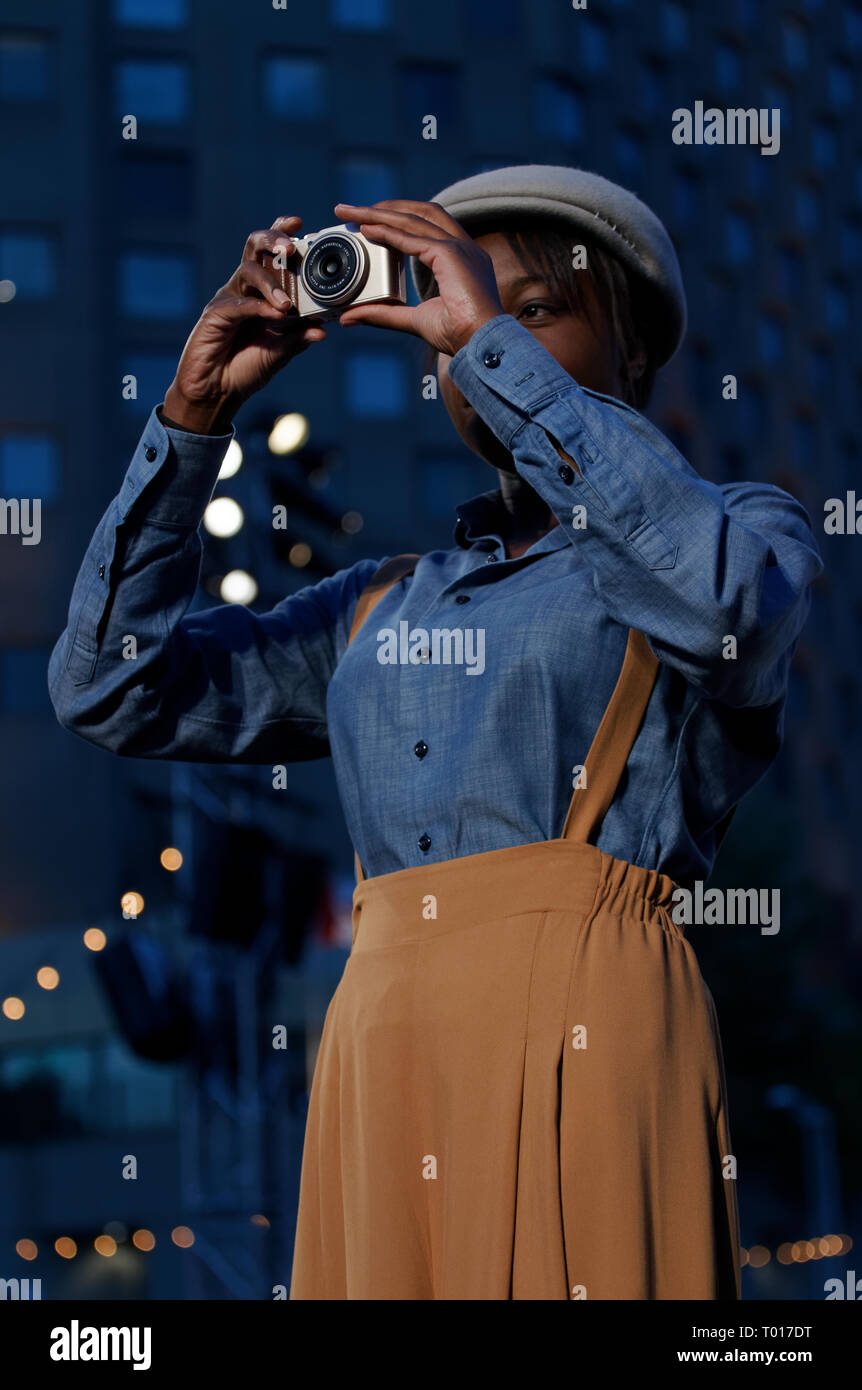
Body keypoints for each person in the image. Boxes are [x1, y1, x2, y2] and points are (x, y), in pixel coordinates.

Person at [48, 164, 823, 1300]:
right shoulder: (379, 604)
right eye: (459, 314)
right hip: (383, 1049)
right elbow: (109, 689)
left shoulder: (738, 528)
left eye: (531, 311)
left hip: (589, 1025)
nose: (479, 340)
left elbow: (723, 611)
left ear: (637, 353)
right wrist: (193, 417)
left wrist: (492, 347)